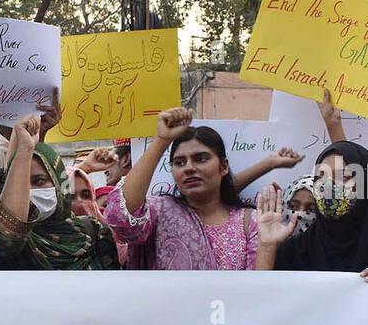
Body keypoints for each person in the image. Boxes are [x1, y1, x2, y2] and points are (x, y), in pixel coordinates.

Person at [104, 108, 260, 270]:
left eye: (201, 159)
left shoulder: (250, 223)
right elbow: (121, 217)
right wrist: (161, 142)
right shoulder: (159, 211)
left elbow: (255, 287)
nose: (189, 168)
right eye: (179, 162)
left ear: (224, 166)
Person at [254, 140, 368, 278]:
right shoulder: (297, 251)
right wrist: (267, 246)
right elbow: (264, 304)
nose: (328, 186)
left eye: (343, 177)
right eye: (321, 177)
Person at [0, 112, 119, 270]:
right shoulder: (13, 245)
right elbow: (8, 232)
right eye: (23, 184)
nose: (29, 191)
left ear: (60, 187)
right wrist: (24, 148)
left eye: (39, 181)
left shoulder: (95, 233)